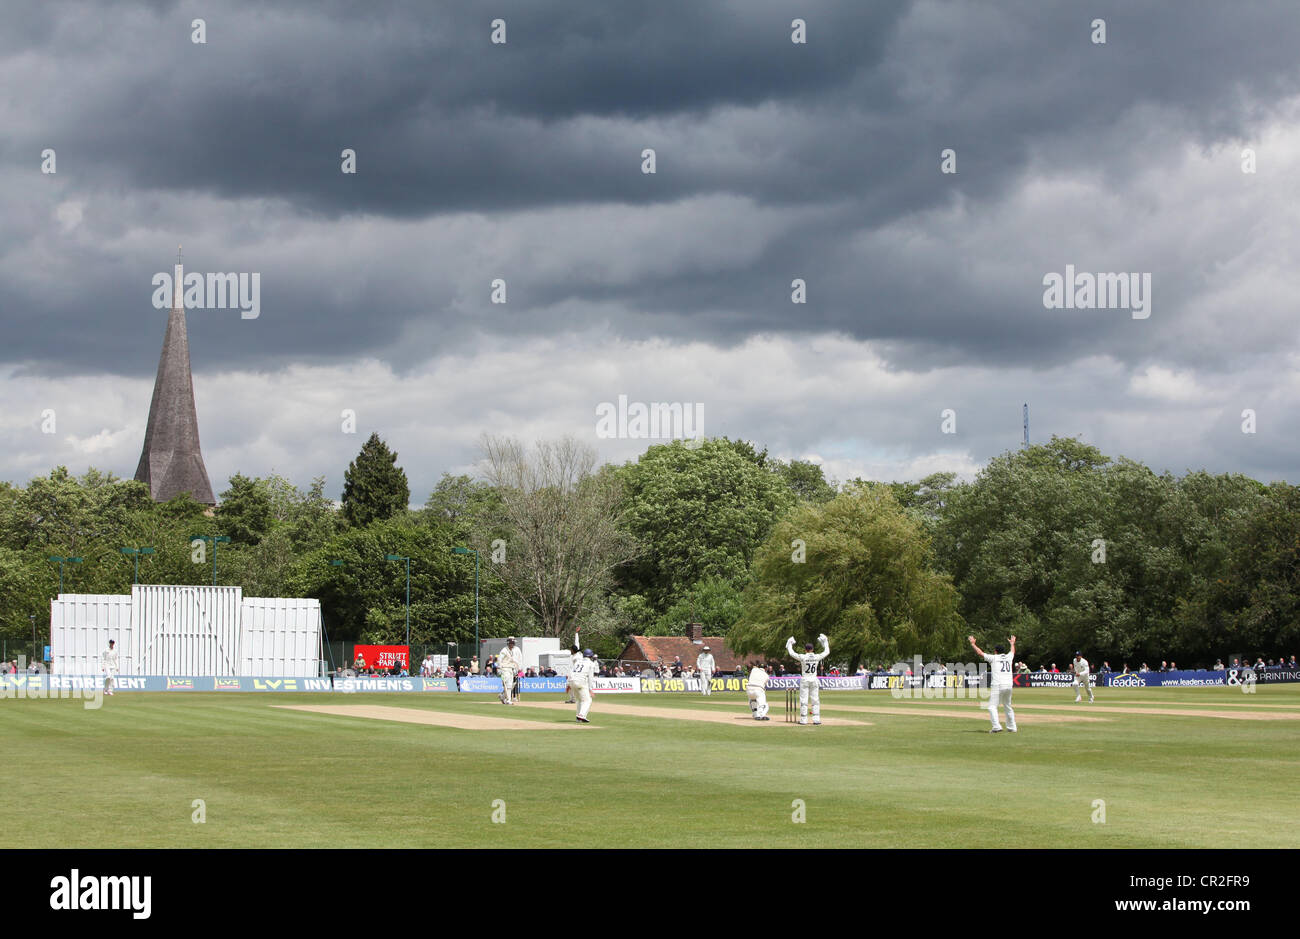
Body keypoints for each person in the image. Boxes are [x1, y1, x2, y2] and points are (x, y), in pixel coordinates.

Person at [969, 634, 1017, 733]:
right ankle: (1012, 727)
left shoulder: (994, 658)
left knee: (992, 706)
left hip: (998, 684)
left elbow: (980, 653)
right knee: (1007, 706)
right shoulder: (1008, 657)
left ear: (995, 652)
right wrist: (1012, 643)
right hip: (1009, 685)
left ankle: (996, 727)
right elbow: (1012, 651)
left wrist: (973, 644)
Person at [785, 634, 829, 725]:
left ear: (805, 650)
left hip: (805, 679)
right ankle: (816, 719)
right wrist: (825, 642)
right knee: (815, 700)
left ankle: (803, 719)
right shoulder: (817, 657)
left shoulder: (803, 657)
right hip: (814, 679)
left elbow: (791, 653)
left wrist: (789, 644)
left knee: (804, 700)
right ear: (812, 649)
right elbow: (827, 651)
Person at [568, 640, 596, 723]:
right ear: (591, 656)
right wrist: (590, 689)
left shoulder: (578, 661)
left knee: (580, 700)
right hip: (580, 682)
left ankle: (578, 717)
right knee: (587, 700)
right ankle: (581, 715)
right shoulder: (591, 664)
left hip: (572, 681)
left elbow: (571, 672)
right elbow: (590, 678)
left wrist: (568, 684)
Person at [497, 638, 524, 705]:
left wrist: (516, 668)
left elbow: (514, 661)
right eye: (511, 643)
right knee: (506, 684)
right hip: (504, 668)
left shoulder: (512, 651)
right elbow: (499, 659)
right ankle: (508, 699)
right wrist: (499, 668)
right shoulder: (504, 650)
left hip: (511, 669)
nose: (513, 644)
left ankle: (503, 696)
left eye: (513, 643)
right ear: (508, 643)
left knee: (510, 685)